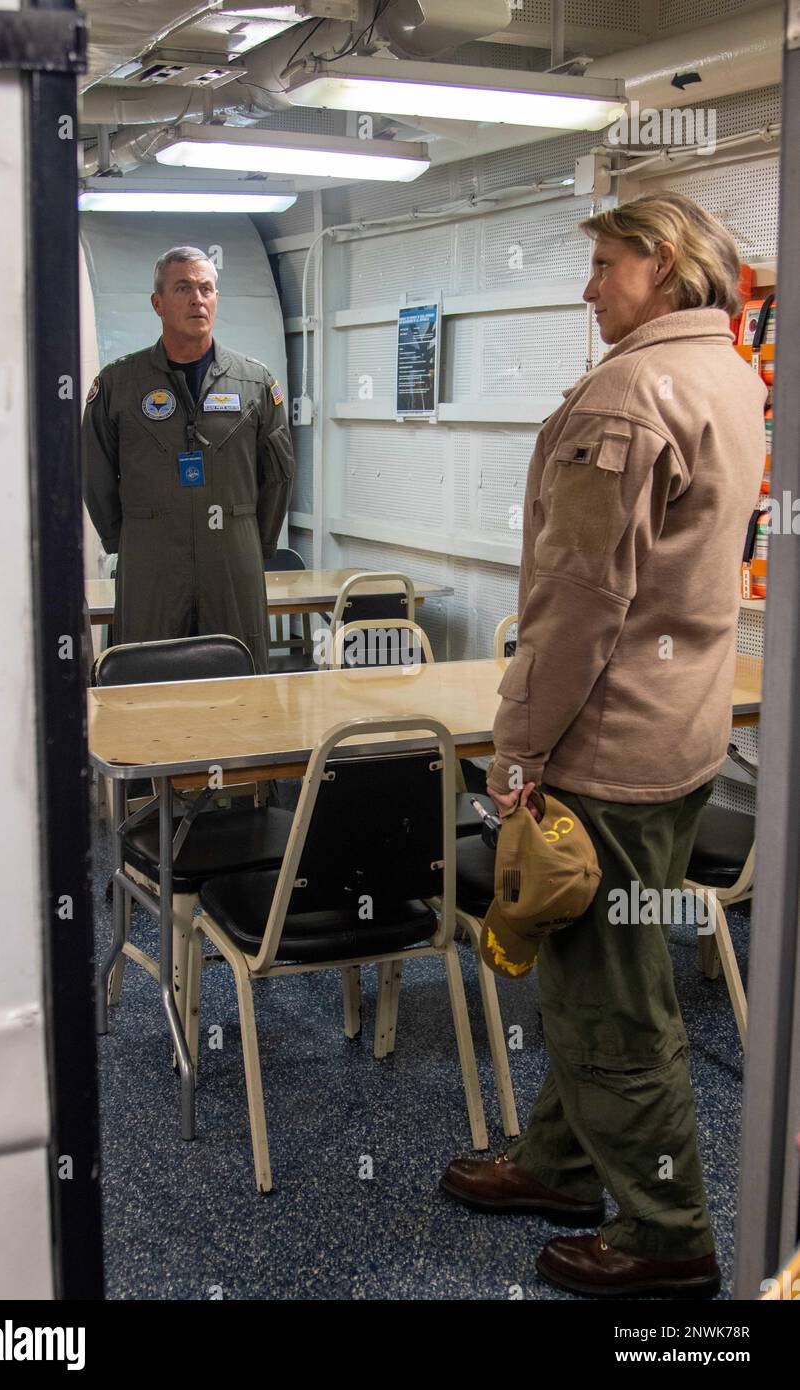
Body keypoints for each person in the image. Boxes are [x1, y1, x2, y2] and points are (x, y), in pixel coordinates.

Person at [441, 193, 767, 1298]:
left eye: (602, 266)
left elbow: (579, 600)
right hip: (677, 737)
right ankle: (555, 1165)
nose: (586, 289)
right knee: (591, 971)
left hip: (605, 749)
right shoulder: (729, 374)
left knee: (612, 1000)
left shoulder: (629, 392)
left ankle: (667, 1235)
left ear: (661, 263)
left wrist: (515, 749)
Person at [82, 245, 295, 671]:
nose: (198, 298)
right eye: (183, 288)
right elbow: (95, 472)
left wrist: (254, 540)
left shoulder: (254, 383)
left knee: (239, 677)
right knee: (146, 674)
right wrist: (128, 539)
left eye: (206, 288)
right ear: (157, 302)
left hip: (232, 560)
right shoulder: (119, 384)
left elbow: (278, 475)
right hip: (150, 561)